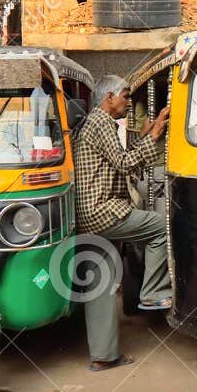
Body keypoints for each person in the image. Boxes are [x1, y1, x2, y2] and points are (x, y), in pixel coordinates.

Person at [73, 75, 172, 372]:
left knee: (100, 285)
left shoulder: (92, 124)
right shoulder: (101, 122)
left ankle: (103, 356)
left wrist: (147, 133)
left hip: (86, 215)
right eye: (125, 96)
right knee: (157, 226)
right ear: (109, 98)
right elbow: (125, 163)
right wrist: (153, 138)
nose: (128, 102)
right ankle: (153, 293)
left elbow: (120, 157)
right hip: (103, 211)